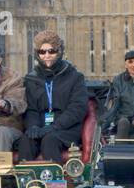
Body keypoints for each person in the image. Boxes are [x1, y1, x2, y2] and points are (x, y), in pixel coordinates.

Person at [16, 30, 89, 162]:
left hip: (66, 129)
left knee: (49, 140)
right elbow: (31, 109)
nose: (47, 55)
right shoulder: (31, 79)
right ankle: (25, 180)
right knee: (26, 141)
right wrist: (33, 126)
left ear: (59, 51)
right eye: (42, 52)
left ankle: (55, 181)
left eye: (52, 51)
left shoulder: (75, 77)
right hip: (40, 126)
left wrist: (54, 127)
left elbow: (77, 109)